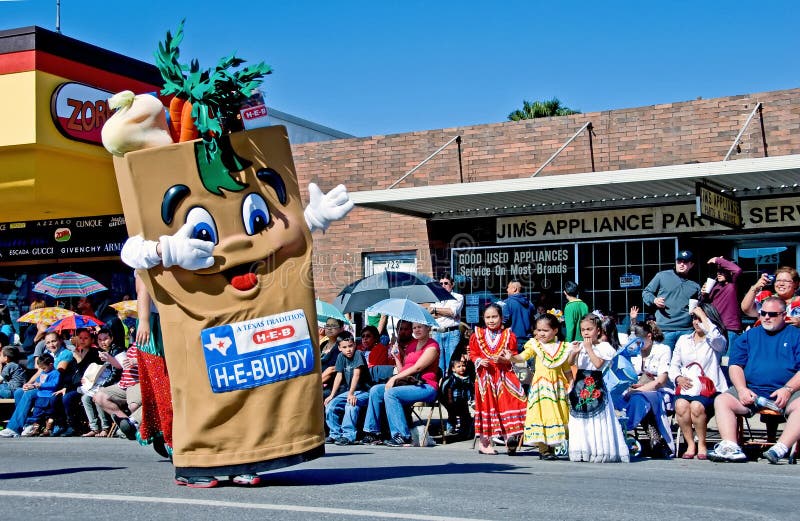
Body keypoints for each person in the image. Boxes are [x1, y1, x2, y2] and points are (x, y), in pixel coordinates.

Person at [708, 296, 800, 463]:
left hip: (788, 392)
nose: (766, 317)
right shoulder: (749, 336)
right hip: (753, 391)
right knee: (722, 400)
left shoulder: (796, 335)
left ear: (783, 314)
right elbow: (735, 366)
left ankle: (780, 448)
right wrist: (742, 389)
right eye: (763, 313)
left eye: (772, 314)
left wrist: (788, 389)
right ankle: (730, 446)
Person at [361, 322, 441, 447]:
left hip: (426, 386)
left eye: (420, 327)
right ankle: (373, 432)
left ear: (428, 328)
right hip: (407, 383)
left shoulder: (432, 345)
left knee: (392, 393)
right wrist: (397, 356)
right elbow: (403, 369)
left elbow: (418, 367)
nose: (417, 330)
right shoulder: (411, 345)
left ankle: (402, 435)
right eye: (414, 328)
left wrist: (394, 379)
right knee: (376, 390)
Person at [567, 314, 630, 463]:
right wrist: (574, 353)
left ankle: (599, 450)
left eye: (589, 329)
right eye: (583, 330)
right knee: (581, 418)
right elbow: (570, 363)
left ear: (598, 330)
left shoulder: (604, 347)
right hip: (580, 384)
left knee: (597, 418)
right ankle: (583, 449)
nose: (586, 333)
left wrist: (589, 349)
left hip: (596, 384)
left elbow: (598, 365)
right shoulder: (580, 345)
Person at [669, 303, 729, 460]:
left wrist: (704, 317)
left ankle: (702, 443)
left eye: (700, 319)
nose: (697, 322)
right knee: (681, 405)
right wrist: (678, 378)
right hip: (687, 387)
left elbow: (719, 342)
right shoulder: (683, 340)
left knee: (696, 406)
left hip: (708, 389)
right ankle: (690, 444)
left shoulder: (714, 340)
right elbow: (674, 365)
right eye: (694, 318)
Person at [510, 313, 572, 459]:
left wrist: (571, 382)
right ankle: (543, 449)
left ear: (555, 330)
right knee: (542, 414)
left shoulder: (561, 347)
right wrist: (511, 357)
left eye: (545, 330)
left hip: (557, 386)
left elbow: (566, 368)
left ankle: (552, 447)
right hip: (541, 387)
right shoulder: (535, 345)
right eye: (538, 330)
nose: (541, 333)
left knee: (557, 413)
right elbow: (522, 357)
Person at [469, 303, 526, 455]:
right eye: (488, 317)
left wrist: (506, 359)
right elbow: (473, 354)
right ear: (483, 318)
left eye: (494, 317)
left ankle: (509, 439)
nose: (491, 320)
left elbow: (513, 354)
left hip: (504, 375)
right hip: (485, 376)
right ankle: (485, 442)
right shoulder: (477, 335)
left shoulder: (509, 335)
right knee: (486, 406)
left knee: (508, 405)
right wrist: (480, 361)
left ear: (501, 318)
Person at [1, 332, 74, 438]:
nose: (51, 345)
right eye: (48, 342)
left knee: (29, 394)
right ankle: (28, 424)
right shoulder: (49, 354)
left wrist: (36, 385)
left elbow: (59, 372)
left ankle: (14, 428)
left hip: (54, 387)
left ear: (60, 340)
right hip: (42, 386)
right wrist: (29, 384)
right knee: (19, 392)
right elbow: (40, 372)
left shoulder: (66, 353)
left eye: (53, 341)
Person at [621, 322, 675, 458]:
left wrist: (638, 390)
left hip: (659, 391)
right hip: (633, 390)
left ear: (649, 336)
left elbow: (661, 381)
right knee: (630, 398)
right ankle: (654, 439)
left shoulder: (663, 350)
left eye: (639, 342)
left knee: (639, 399)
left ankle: (627, 428)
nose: (637, 346)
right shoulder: (632, 352)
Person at [133, 274, 172, 458]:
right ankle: (169, 436)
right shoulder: (146, 249)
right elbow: (143, 286)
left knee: (167, 387)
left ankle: (159, 430)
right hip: (155, 328)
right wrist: (144, 320)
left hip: (174, 321)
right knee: (163, 387)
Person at [642, 250, 701, 349]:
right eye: (679, 261)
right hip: (665, 330)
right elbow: (646, 292)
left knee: (686, 363)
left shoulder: (695, 285)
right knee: (664, 361)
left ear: (691, 265)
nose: (681, 264)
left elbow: (700, 306)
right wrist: (654, 300)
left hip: (687, 331)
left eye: (685, 262)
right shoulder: (662, 276)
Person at [324, 332, 371, 446]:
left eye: (350, 346)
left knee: (351, 405)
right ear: (339, 348)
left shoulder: (358, 354)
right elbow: (339, 376)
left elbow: (356, 374)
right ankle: (335, 434)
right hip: (350, 392)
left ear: (354, 345)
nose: (348, 350)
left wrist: (350, 394)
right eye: (344, 347)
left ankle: (348, 435)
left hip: (364, 391)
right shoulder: (341, 357)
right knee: (331, 405)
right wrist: (332, 395)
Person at [80, 327, 124, 437]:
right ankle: (94, 428)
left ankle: (105, 427)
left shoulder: (116, 350)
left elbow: (116, 373)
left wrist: (102, 386)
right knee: (85, 398)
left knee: (98, 395)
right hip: (104, 382)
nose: (102, 342)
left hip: (117, 382)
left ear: (112, 338)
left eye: (105, 339)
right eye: (99, 340)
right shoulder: (100, 353)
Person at [93, 342, 142, 441]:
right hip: (123, 383)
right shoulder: (133, 345)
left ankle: (135, 426)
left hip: (138, 382)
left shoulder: (153, 343)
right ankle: (127, 425)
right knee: (99, 396)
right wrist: (109, 359)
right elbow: (121, 365)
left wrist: (136, 361)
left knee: (133, 405)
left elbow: (158, 361)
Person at [428, 274, 464, 377]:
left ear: (452, 285)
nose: (443, 285)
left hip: (451, 333)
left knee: (452, 364)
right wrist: (447, 313)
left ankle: (451, 390)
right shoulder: (435, 298)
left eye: (446, 283)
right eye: (441, 283)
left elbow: (452, 312)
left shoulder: (458, 297)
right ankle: (441, 390)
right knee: (438, 366)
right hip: (437, 334)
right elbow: (430, 316)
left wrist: (435, 310)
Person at [19, 354, 62, 437]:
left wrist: (41, 385)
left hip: (48, 396)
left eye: (44, 368)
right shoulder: (42, 372)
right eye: (41, 368)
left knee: (49, 413)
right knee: (37, 412)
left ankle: (48, 429)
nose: (43, 370)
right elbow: (38, 381)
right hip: (40, 395)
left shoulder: (55, 373)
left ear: (51, 364)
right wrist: (33, 385)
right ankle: (36, 428)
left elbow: (54, 384)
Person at [440, 357, 474, 439]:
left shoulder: (467, 379)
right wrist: (449, 401)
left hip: (463, 401)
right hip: (452, 401)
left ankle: (465, 430)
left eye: (463, 366)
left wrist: (472, 398)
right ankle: (450, 429)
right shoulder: (452, 379)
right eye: (459, 366)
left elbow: (471, 388)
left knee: (465, 415)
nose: (462, 368)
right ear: (453, 369)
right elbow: (448, 390)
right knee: (452, 415)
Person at [503, 280, 534, 348]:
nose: (507, 290)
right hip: (529, 341)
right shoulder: (530, 304)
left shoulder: (507, 303)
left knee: (513, 359)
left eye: (508, 287)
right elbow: (533, 322)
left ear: (514, 289)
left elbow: (504, 322)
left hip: (513, 341)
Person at [320, 318, 343, 398]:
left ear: (341, 329)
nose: (329, 328)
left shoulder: (341, 346)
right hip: (320, 383)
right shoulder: (323, 344)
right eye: (327, 325)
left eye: (333, 325)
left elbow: (332, 369)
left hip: (334, 385)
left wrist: (315, 384)